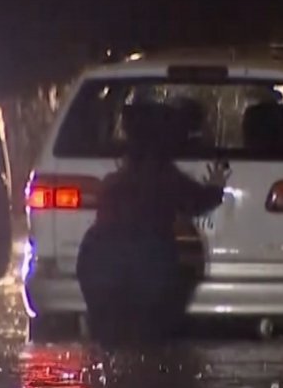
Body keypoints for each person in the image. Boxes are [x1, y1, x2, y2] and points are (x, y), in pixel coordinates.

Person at [76, 101, 229, 340]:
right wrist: (217, 186)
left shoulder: (116, 179)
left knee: (109, 337)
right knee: (147, 334)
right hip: (144, 262)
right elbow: (196, 202)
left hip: (97, 259)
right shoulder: (162, 175)